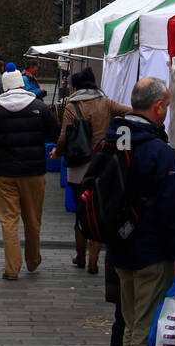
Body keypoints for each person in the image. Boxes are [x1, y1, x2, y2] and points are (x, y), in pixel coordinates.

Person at [105, 77, 175, 346]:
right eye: (167, 105)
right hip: (150, 252)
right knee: (143, 328)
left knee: (130, 324)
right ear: (157, 107)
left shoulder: (114, 140)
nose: (167, 111)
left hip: (121, 248)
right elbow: (173, 211)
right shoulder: (157, 151)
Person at [0, 68, 59, 280]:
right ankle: (33, 260)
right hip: (34, 172)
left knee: (9, 220)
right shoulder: (39, 108)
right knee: (33, 219)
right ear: (22, 84)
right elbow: (54, 132)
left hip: (5, 171)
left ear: (5, 87)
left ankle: (12, 268)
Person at [54, 67, 128, 274]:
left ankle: (80, 257)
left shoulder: (72, 105)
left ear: (76, 86)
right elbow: (130, 110)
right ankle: (94, 261)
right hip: (102, 167)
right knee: (97, 213)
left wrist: (57, 153)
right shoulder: (107, 102)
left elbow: (63, 137)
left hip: (78, 169)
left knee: (81, 214)